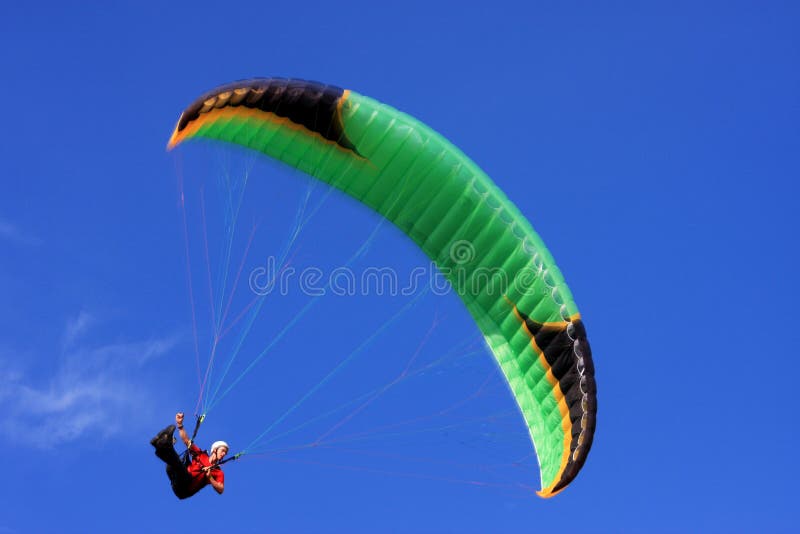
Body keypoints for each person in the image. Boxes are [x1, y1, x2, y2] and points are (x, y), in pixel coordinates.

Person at [151, 412, 228, 499]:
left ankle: (164, 446)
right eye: (223, 451)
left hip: (185, 488)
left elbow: (220, 489)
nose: (224, 454)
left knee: (180, 468)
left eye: (225, 453)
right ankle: (157, 444)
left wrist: (210, 477)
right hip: (176, 477)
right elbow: (187, 441)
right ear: (215, 450)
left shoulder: (218, 472)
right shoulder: (200, 454)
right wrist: (180, 425)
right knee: (174, 464)